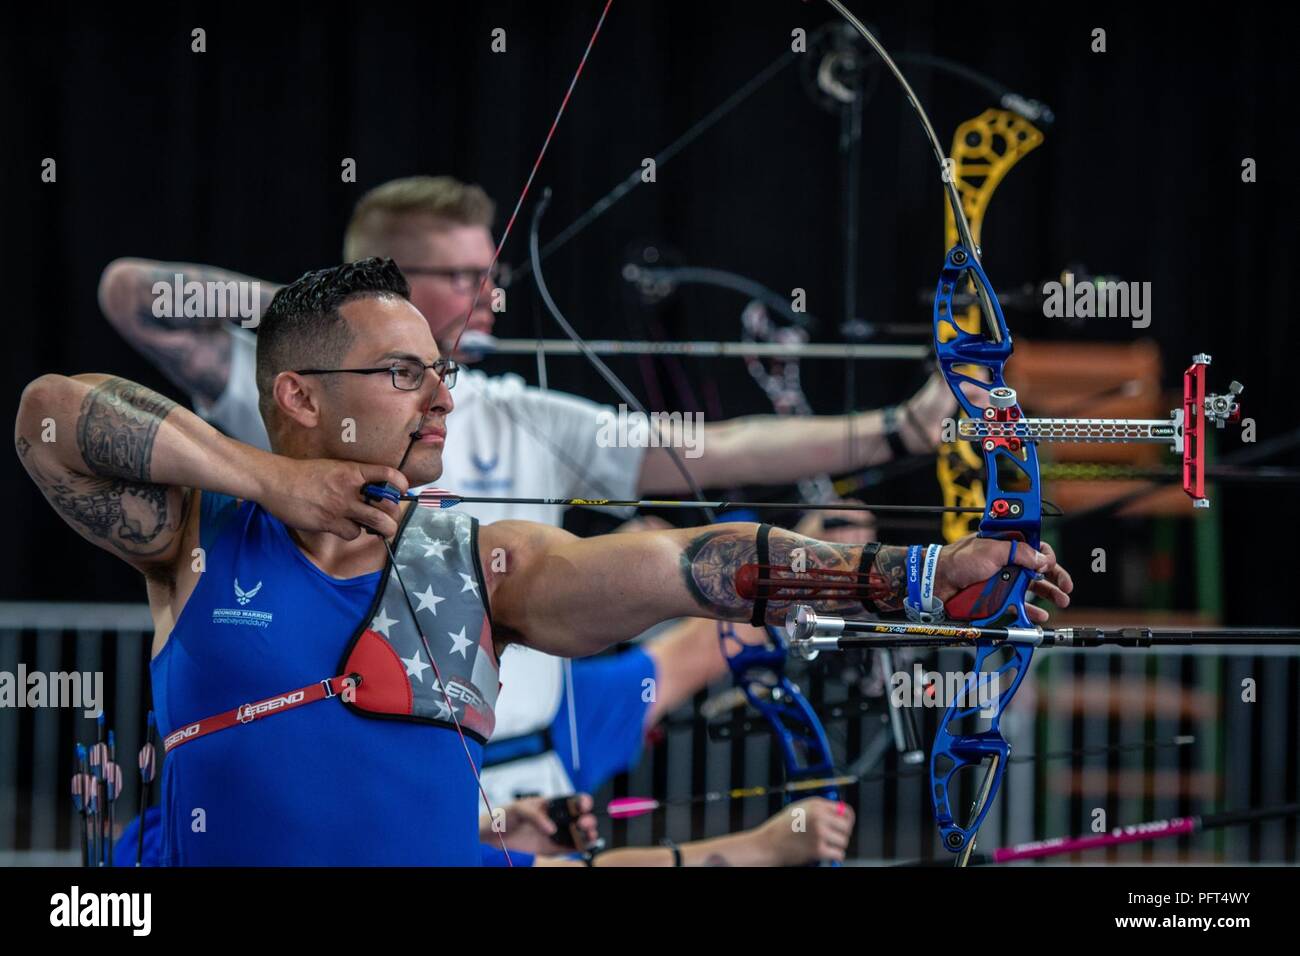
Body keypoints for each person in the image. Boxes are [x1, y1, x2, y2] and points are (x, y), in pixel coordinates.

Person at [20, 258, 1071, 865]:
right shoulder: (198, 534)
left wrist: (915, 575)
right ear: (300, 396)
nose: (442, 396)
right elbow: (49, 417)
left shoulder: (477, 559)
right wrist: (273, 482)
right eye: (403, 372)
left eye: (441, 372)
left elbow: (684, 563)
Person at [98, 176, 956, 831]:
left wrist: (894, 431)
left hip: (528, 773)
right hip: (341, 774)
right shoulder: (303, 399)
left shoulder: (514, 409)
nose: (486, 293)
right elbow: (129, 294)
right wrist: (328, 314)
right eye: (460, 275)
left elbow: (708, 449)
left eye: (490, 271)